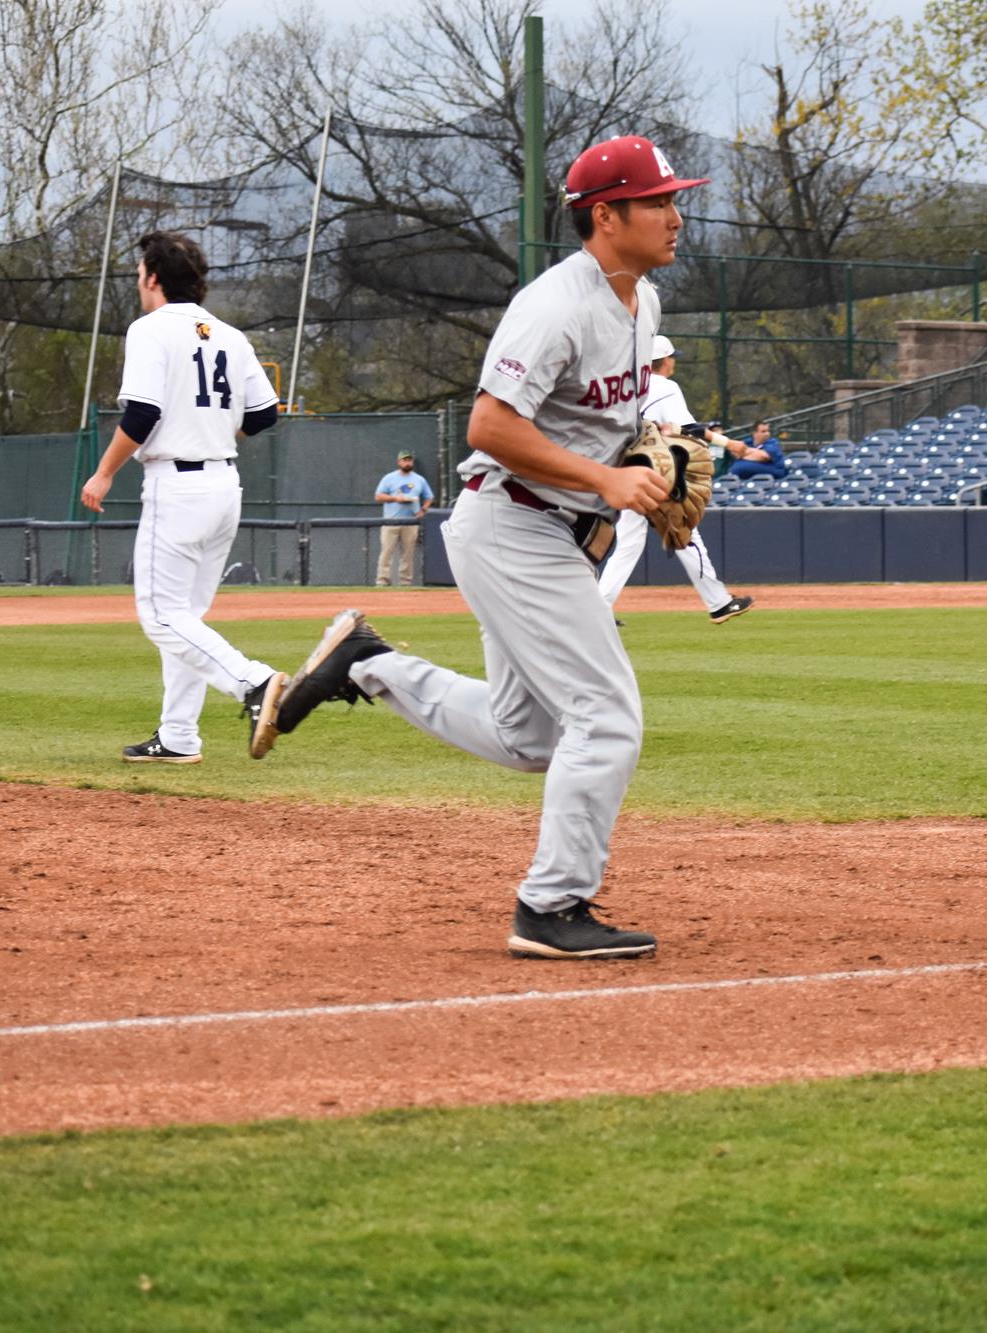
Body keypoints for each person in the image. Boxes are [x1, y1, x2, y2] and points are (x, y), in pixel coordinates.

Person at [266, 134, 703, 960]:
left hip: (552, 530)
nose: (675, 215)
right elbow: (490, 425)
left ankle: (367, 663)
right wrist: (605, 482)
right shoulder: (555, 305)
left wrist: (641, 465)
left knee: (525, 736)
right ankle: (550, 905)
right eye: (657, 201)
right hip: (513, 524)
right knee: (606, 715)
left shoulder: (641, 302)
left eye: (673, 199)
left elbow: (597, 419)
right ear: (606, 217)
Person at [79, 230, 290, 765]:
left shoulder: (150, 329)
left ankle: (254, 682)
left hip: (178, 488)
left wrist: (103, 473)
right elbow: (265, 413)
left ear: (153, 277)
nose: (138, 282)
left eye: (139, 273)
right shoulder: (230, 336)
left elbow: (142, 414)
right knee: (185, 618)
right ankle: (178, 736)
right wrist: (212, 430)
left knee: (160, 615)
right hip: (223, 485)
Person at [596, 333, 753, 624]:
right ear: (664, 361)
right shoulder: (666, 387)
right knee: (685, 533)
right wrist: (728, 443)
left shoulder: (626, 386)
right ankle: (719, 603)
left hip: (624, 468)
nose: (673, 362)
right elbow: (690, 429)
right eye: (671, 358)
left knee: (629, 543)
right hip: (657, 470)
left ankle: (599, 608)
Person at [372, 450, 434, 586]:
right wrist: (396, 498)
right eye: (404, 460)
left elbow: (429, 497)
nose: (407, 463)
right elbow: (378, 496)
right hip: (391, 520)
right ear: (399, 462)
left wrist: (423, 509)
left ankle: (405, 582)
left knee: (407, 554)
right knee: (386, 552)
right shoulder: (389, 478)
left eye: (409, 460)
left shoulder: (419, 479)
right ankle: (382, 581)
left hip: (410, 521)